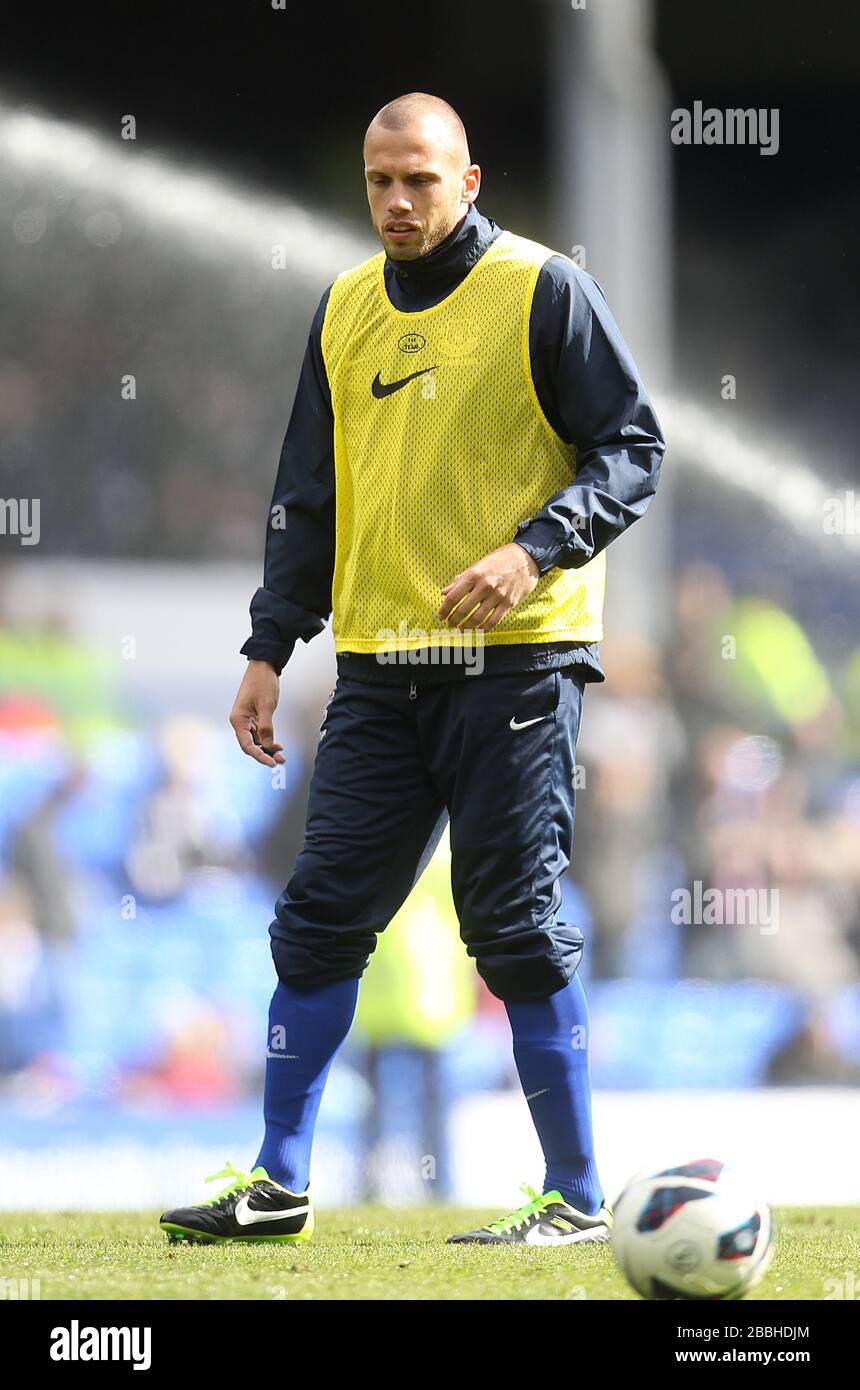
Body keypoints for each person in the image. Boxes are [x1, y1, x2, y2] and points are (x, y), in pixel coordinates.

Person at [160, 92, 665, 1246]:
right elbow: (307, 495)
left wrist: (531, 548)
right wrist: (265, 647)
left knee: (513, 926)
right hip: (381, 671)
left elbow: (631, 449)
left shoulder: (542, 290)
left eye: (420, 180)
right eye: (379, 179)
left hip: (517, 665)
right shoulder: (341, 306)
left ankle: (577, 1198)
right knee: (318, 918)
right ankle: (278, 1178)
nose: (396, 200)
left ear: (468, 182)